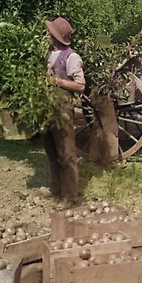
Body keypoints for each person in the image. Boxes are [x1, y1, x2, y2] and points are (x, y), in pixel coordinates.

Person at [42, 16, 86, 204]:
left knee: (66, 152)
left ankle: (69, 196)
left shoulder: (72, 57)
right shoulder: (49, 53)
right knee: (51, 150)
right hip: (48, 107)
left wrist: (58, 81)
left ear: (56, 36)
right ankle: (56, 189)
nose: (47, 35)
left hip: (63, 108)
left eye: (50, 33)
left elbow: (80, 85)